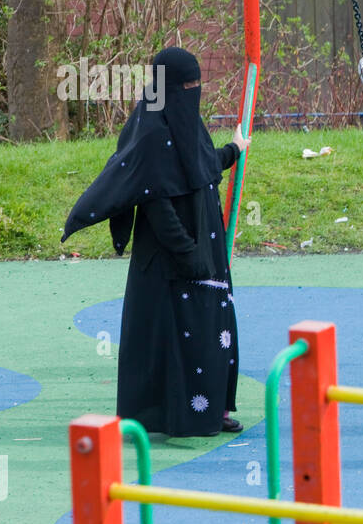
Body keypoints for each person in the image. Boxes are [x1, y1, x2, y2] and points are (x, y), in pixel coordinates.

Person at [63, 46, 248, 437]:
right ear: (167, 85)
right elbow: (156, 199)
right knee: (171, 336)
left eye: (198, 84)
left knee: (208, 327)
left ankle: (213, 409)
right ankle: (172, 416)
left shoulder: (183, 120)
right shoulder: (149, 129)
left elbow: (199, 165)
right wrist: (185, 252)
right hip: (168, 257)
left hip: (204, 244)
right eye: (187, 85)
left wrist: (234, 150)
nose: (193, 91)